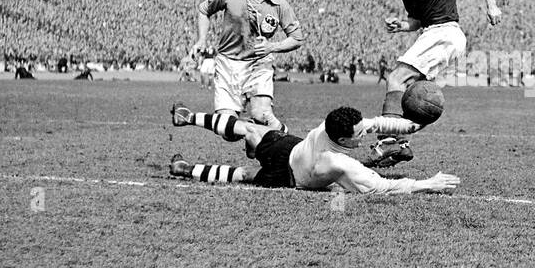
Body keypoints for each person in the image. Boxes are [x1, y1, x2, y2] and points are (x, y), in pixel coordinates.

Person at [169, 103, 457, 196]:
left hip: (288, 152)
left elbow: (376, 122)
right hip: (289, 170)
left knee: (251, 130)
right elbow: (384, 187)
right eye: (359, 135)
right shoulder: (340, 163)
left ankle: (188, 130)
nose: (364, 135)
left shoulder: (331, 124)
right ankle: (187, 164)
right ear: (344, 140)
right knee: (244, 172)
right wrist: (426, 184)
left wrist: (410, 126)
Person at [381, 0, 501, 126]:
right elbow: (417, 20)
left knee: (395, 78)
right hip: (433, 33)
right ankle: (399, 142)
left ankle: (388, 139)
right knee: (411, 91)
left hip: (445, 32)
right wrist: (400, 25)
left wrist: (492, 6)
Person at [190, 0, 303, 128]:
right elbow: (204, 10)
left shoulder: (279, 4)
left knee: (262, 114)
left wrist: (271, 47)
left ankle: (278, 133)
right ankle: (255, 134)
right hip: (228, 64)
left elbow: (297, 38)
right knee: (228, 129)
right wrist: (201, 39)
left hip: (259, 63)